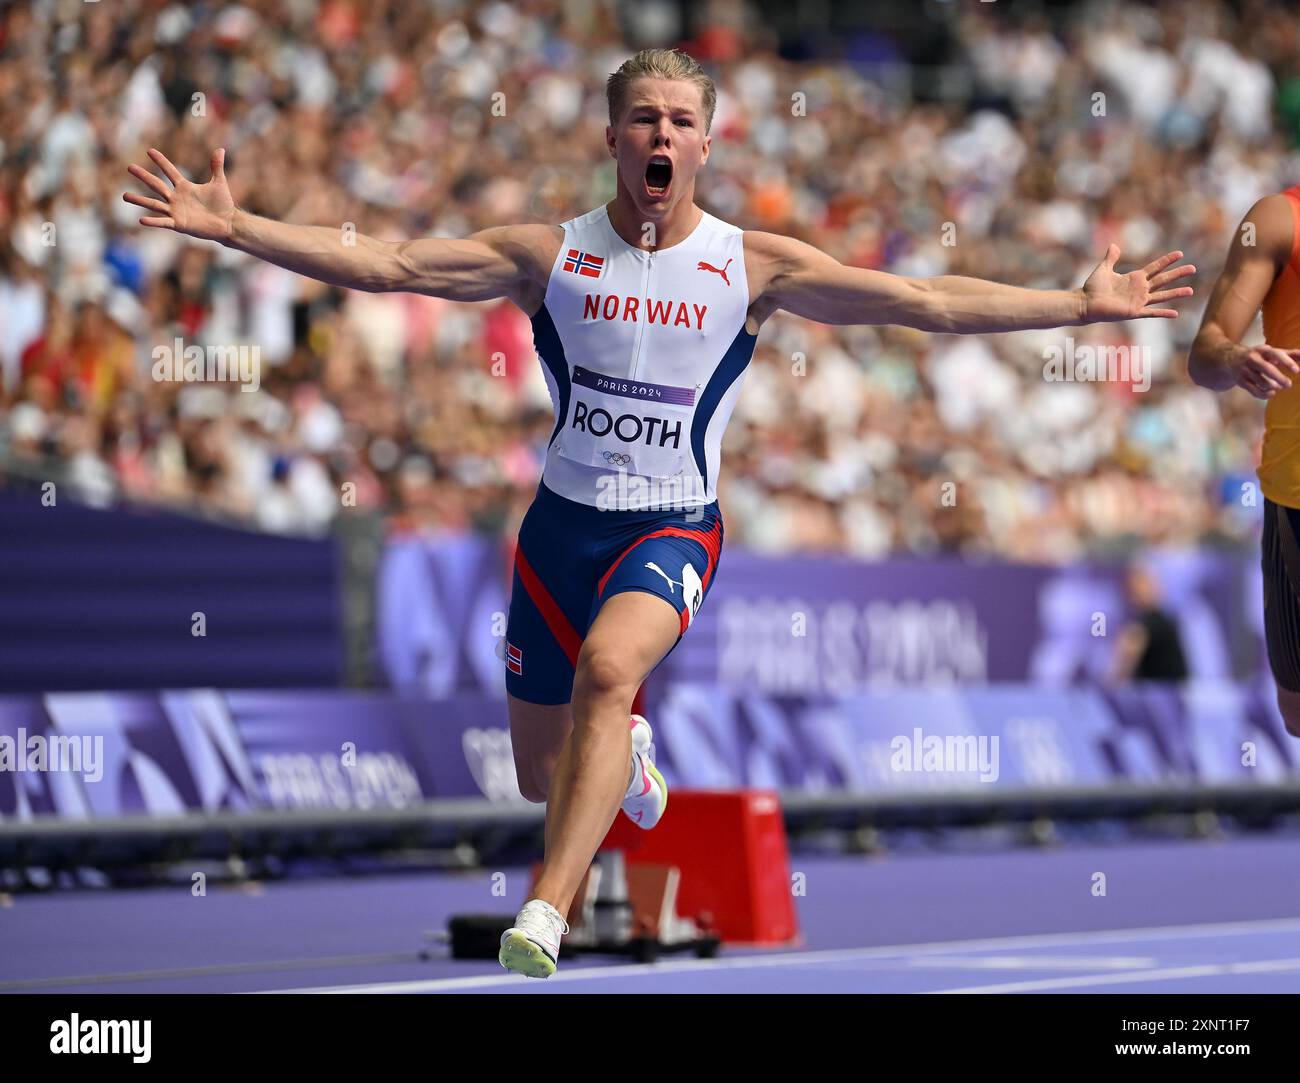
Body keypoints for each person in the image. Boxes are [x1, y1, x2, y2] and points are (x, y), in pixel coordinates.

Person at [125, 48, 1194, 978]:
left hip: (671, 524)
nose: (662, 134)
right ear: (611, 135)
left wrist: (1077, 304)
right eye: (645, 117)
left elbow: (921, 302)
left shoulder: (749, 265)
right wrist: (239, 229)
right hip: (555, 536)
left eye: (682, 121)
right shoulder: (547, 254)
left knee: (606, 668)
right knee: (546, 769)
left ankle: (544, 907)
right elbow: (390, 262)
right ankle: (625, 755)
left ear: (706, 147)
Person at [1190, 185, 1300, 739]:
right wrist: (1237, 359)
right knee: (1297, 713)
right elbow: (1205, 354)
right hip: (1295, 490)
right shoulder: (1281, 219)